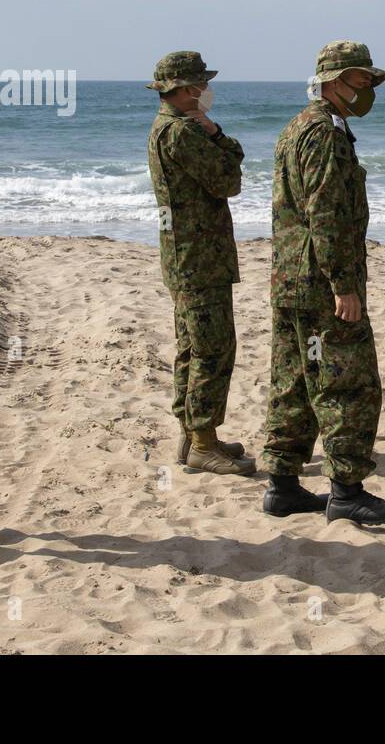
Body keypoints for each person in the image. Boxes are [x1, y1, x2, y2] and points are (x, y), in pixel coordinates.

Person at [262, 40, 385, 524]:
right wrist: (342, 285)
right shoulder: (325, 133)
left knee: (293, 380)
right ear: (331, 80)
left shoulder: (297, 127)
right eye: (359, 79)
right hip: (320, 282)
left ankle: (282, 486)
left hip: (291, 277)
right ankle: (347, 491)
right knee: (348, 383)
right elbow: (324, 214)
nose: (366, 88)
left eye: (369, 80)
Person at [145, 51, 254, 477]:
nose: (207, 90)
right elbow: (229, 180)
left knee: (192, 347)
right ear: (188, 89)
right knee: (211, 349)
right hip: (199, 257)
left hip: (185, 255)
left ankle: (193, 435)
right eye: (202, 84)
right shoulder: (182, 134)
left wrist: (214, 131)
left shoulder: (166, 128)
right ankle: (202, 444)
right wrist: (218, 135)